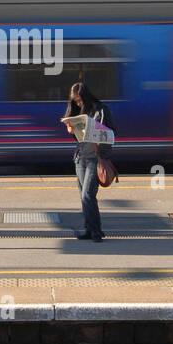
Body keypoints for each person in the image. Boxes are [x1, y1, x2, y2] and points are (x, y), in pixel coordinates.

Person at [63, 81, 114, 241]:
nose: (78, 103)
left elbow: (110, 134)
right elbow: (79, 138)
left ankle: (97, 231)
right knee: (83, 195)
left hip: (95, 158)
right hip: (81, 158)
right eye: (75, 101)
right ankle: (89, 229)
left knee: (88, 194)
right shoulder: (78, 112)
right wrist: (71, 130)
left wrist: (94, 132)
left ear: (86, 97)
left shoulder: (101, 110)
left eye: (79, 100)